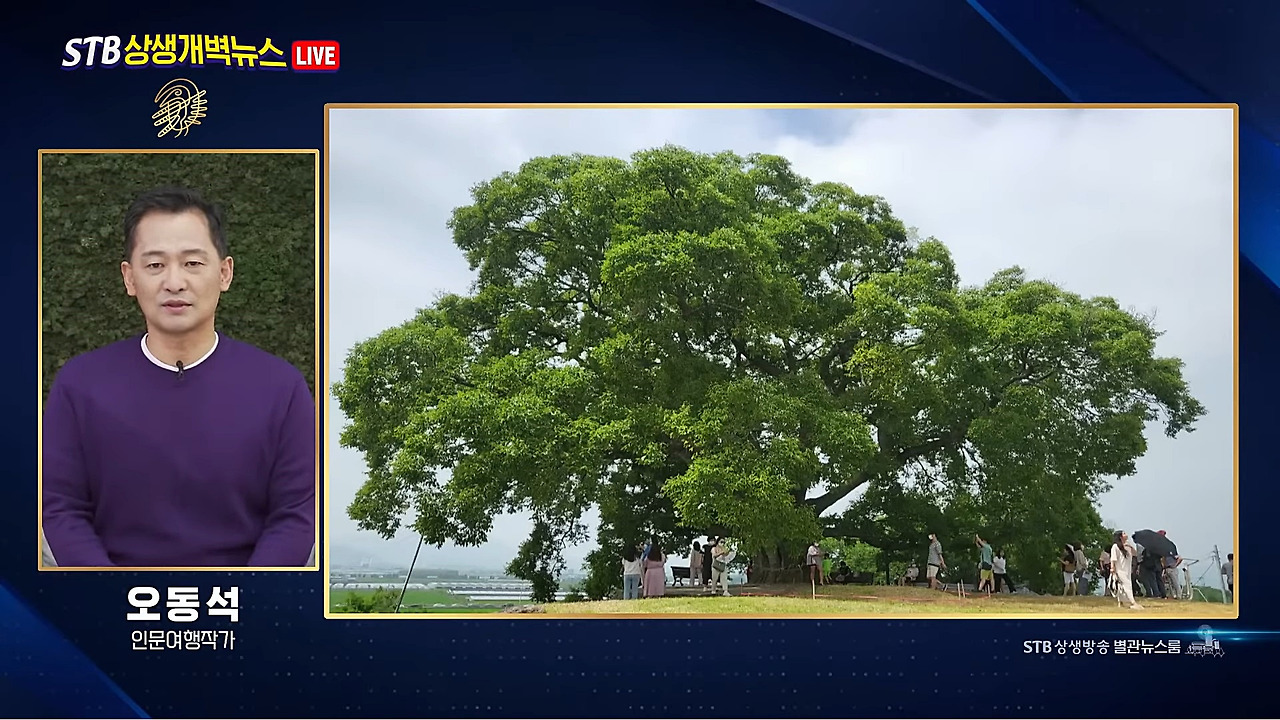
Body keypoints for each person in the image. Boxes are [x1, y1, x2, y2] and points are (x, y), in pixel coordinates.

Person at [41, 185, 315, 568]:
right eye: (155, 265)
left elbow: (295, 516)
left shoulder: (281, 388)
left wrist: (247, 604)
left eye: (192, 263)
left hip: (240, 609)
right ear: (129, 278)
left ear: (224, 273)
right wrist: (110, 600)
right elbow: (61, 508)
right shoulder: (81, 385)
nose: (174, 282)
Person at [1109, 530, 1143, 609]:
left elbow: (1135, 554)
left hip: (1127, 569)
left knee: (1121, 586)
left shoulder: (1128, 545)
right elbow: (1113, 559)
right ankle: (1133, 602)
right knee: (1127, 585)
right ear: (1120, 537)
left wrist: (1130, 546)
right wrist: (1112, 568)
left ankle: (1120, 603)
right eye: (1124, 533)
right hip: (1119, 570)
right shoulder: (1115, 546)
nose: (1126, 534)